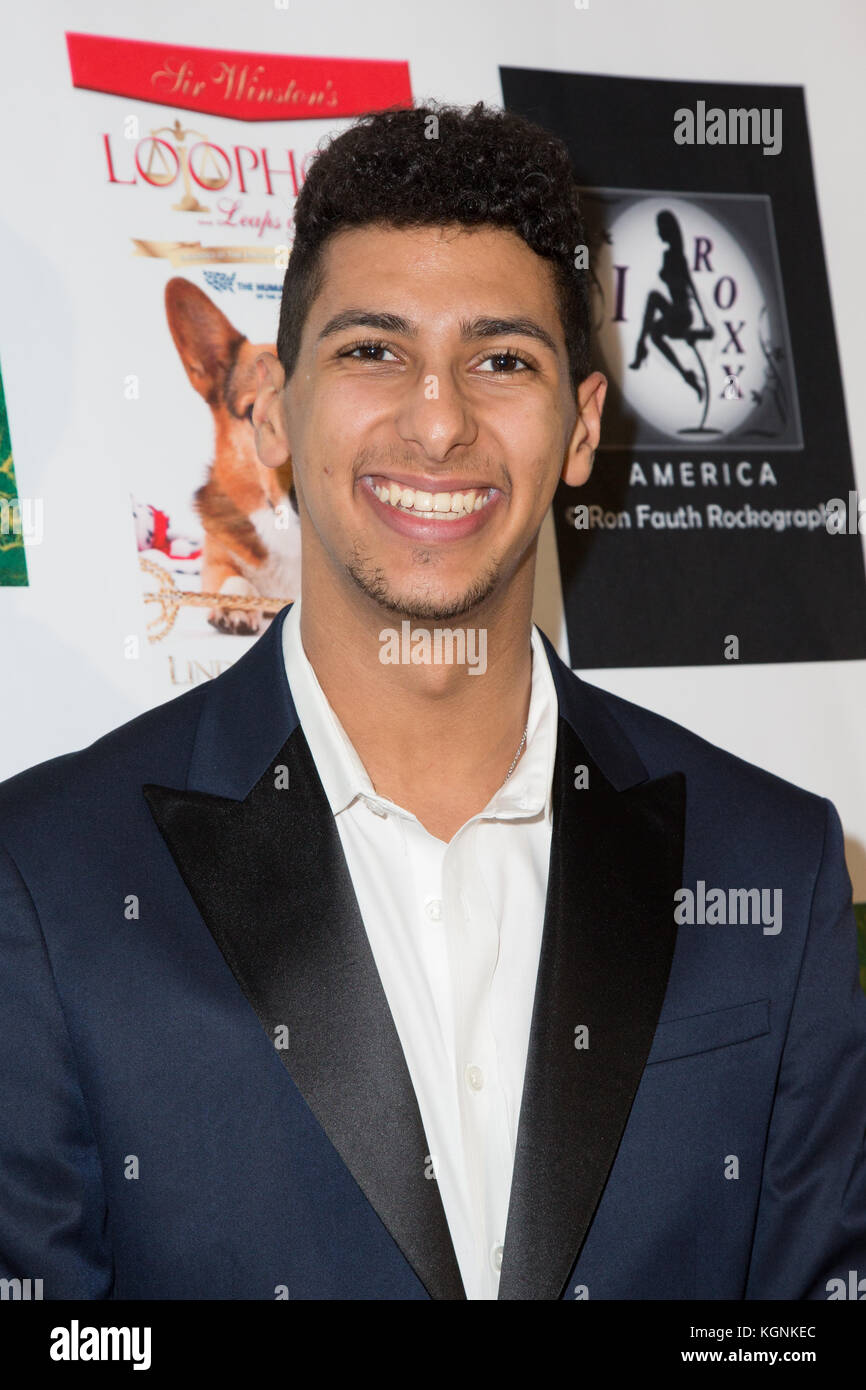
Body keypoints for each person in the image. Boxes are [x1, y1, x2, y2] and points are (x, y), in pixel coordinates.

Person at [0, 102, 864, 1302]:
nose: (439, 415)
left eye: (500, 358)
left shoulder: (771, 861)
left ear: (581, 429)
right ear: (277, 411)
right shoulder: (50, 875)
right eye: (372, 350)